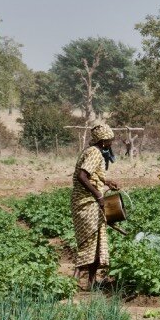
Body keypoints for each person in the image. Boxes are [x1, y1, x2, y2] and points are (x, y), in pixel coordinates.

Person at [71, 124, 120, 289]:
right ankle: (73, 282)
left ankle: (91, 283)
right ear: (104, 141)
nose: (112, 143)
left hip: (89, 202)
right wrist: (98, 195)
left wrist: (106, 181)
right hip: (86, 203)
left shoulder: (92, 151)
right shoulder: (94, 152)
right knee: (89, 241)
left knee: (97, 241)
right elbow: (82, 176)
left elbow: (92, 175)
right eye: (110, 140)